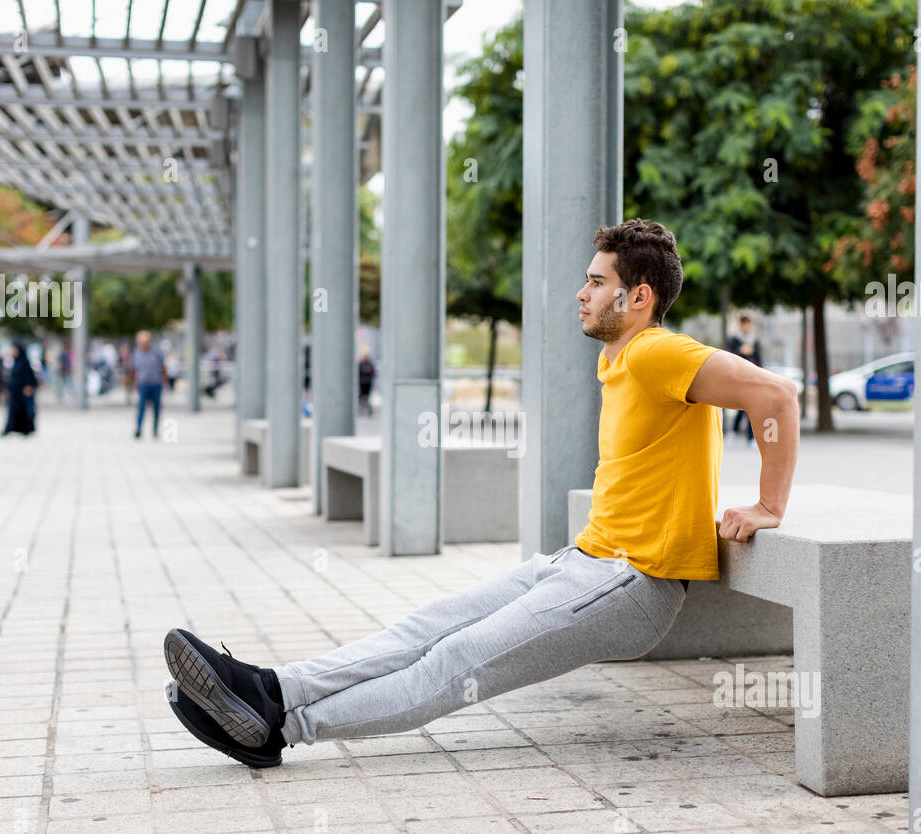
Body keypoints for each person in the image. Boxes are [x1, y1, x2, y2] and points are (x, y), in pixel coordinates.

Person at [161, 218, 801, 768]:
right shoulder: (617, 359)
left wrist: (770, 506)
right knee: (425, 627)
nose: (580, 294)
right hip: (583, 561)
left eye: (596, 282)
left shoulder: (660, 351)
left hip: (635, 583)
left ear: (638, 296)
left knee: (457, 661)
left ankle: (275, 728)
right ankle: (271, 688)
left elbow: (775, 395)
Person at [726, 313, 765, 443]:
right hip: (738, 376)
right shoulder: (734, 339)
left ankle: (750, 437)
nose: (747, 327)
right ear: (741, 325)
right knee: (741, 408)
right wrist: (742, 351)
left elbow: (759, 359)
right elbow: (729, 356)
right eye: (745, 324)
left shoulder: (754, 340)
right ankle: (734, 432)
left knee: (750, 408)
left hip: (752, 377)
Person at [131, 330, 166, 439]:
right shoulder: (136, 353)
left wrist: (165, 380)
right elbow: (135, 370)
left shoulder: (156, 352)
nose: (143, 345)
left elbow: (163, 367)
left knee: (156, 408)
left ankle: (155, 430)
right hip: (143, 384)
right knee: (141, 408)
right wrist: (134, 383)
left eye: (145, 342)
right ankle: (139, 429)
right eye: (141, 342)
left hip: (156, 384)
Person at [0, 341, 37, 437]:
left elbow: (29, 376)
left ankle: (25, 429)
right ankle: (11, 428)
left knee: (23, 410)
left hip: (22, 392)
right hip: (15, 392)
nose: (12, 352)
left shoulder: (24, 362)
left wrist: (29, 386)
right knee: (13, 411)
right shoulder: (15, 362)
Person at [357, 352, 375, 417]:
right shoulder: (370, 364)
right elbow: (373, 373)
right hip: (368, 382)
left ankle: (361, 410)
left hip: (362, 383)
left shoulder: (361, 364)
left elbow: (358, 374)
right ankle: (368, 411)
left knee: (361, 397)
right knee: (366, 397)